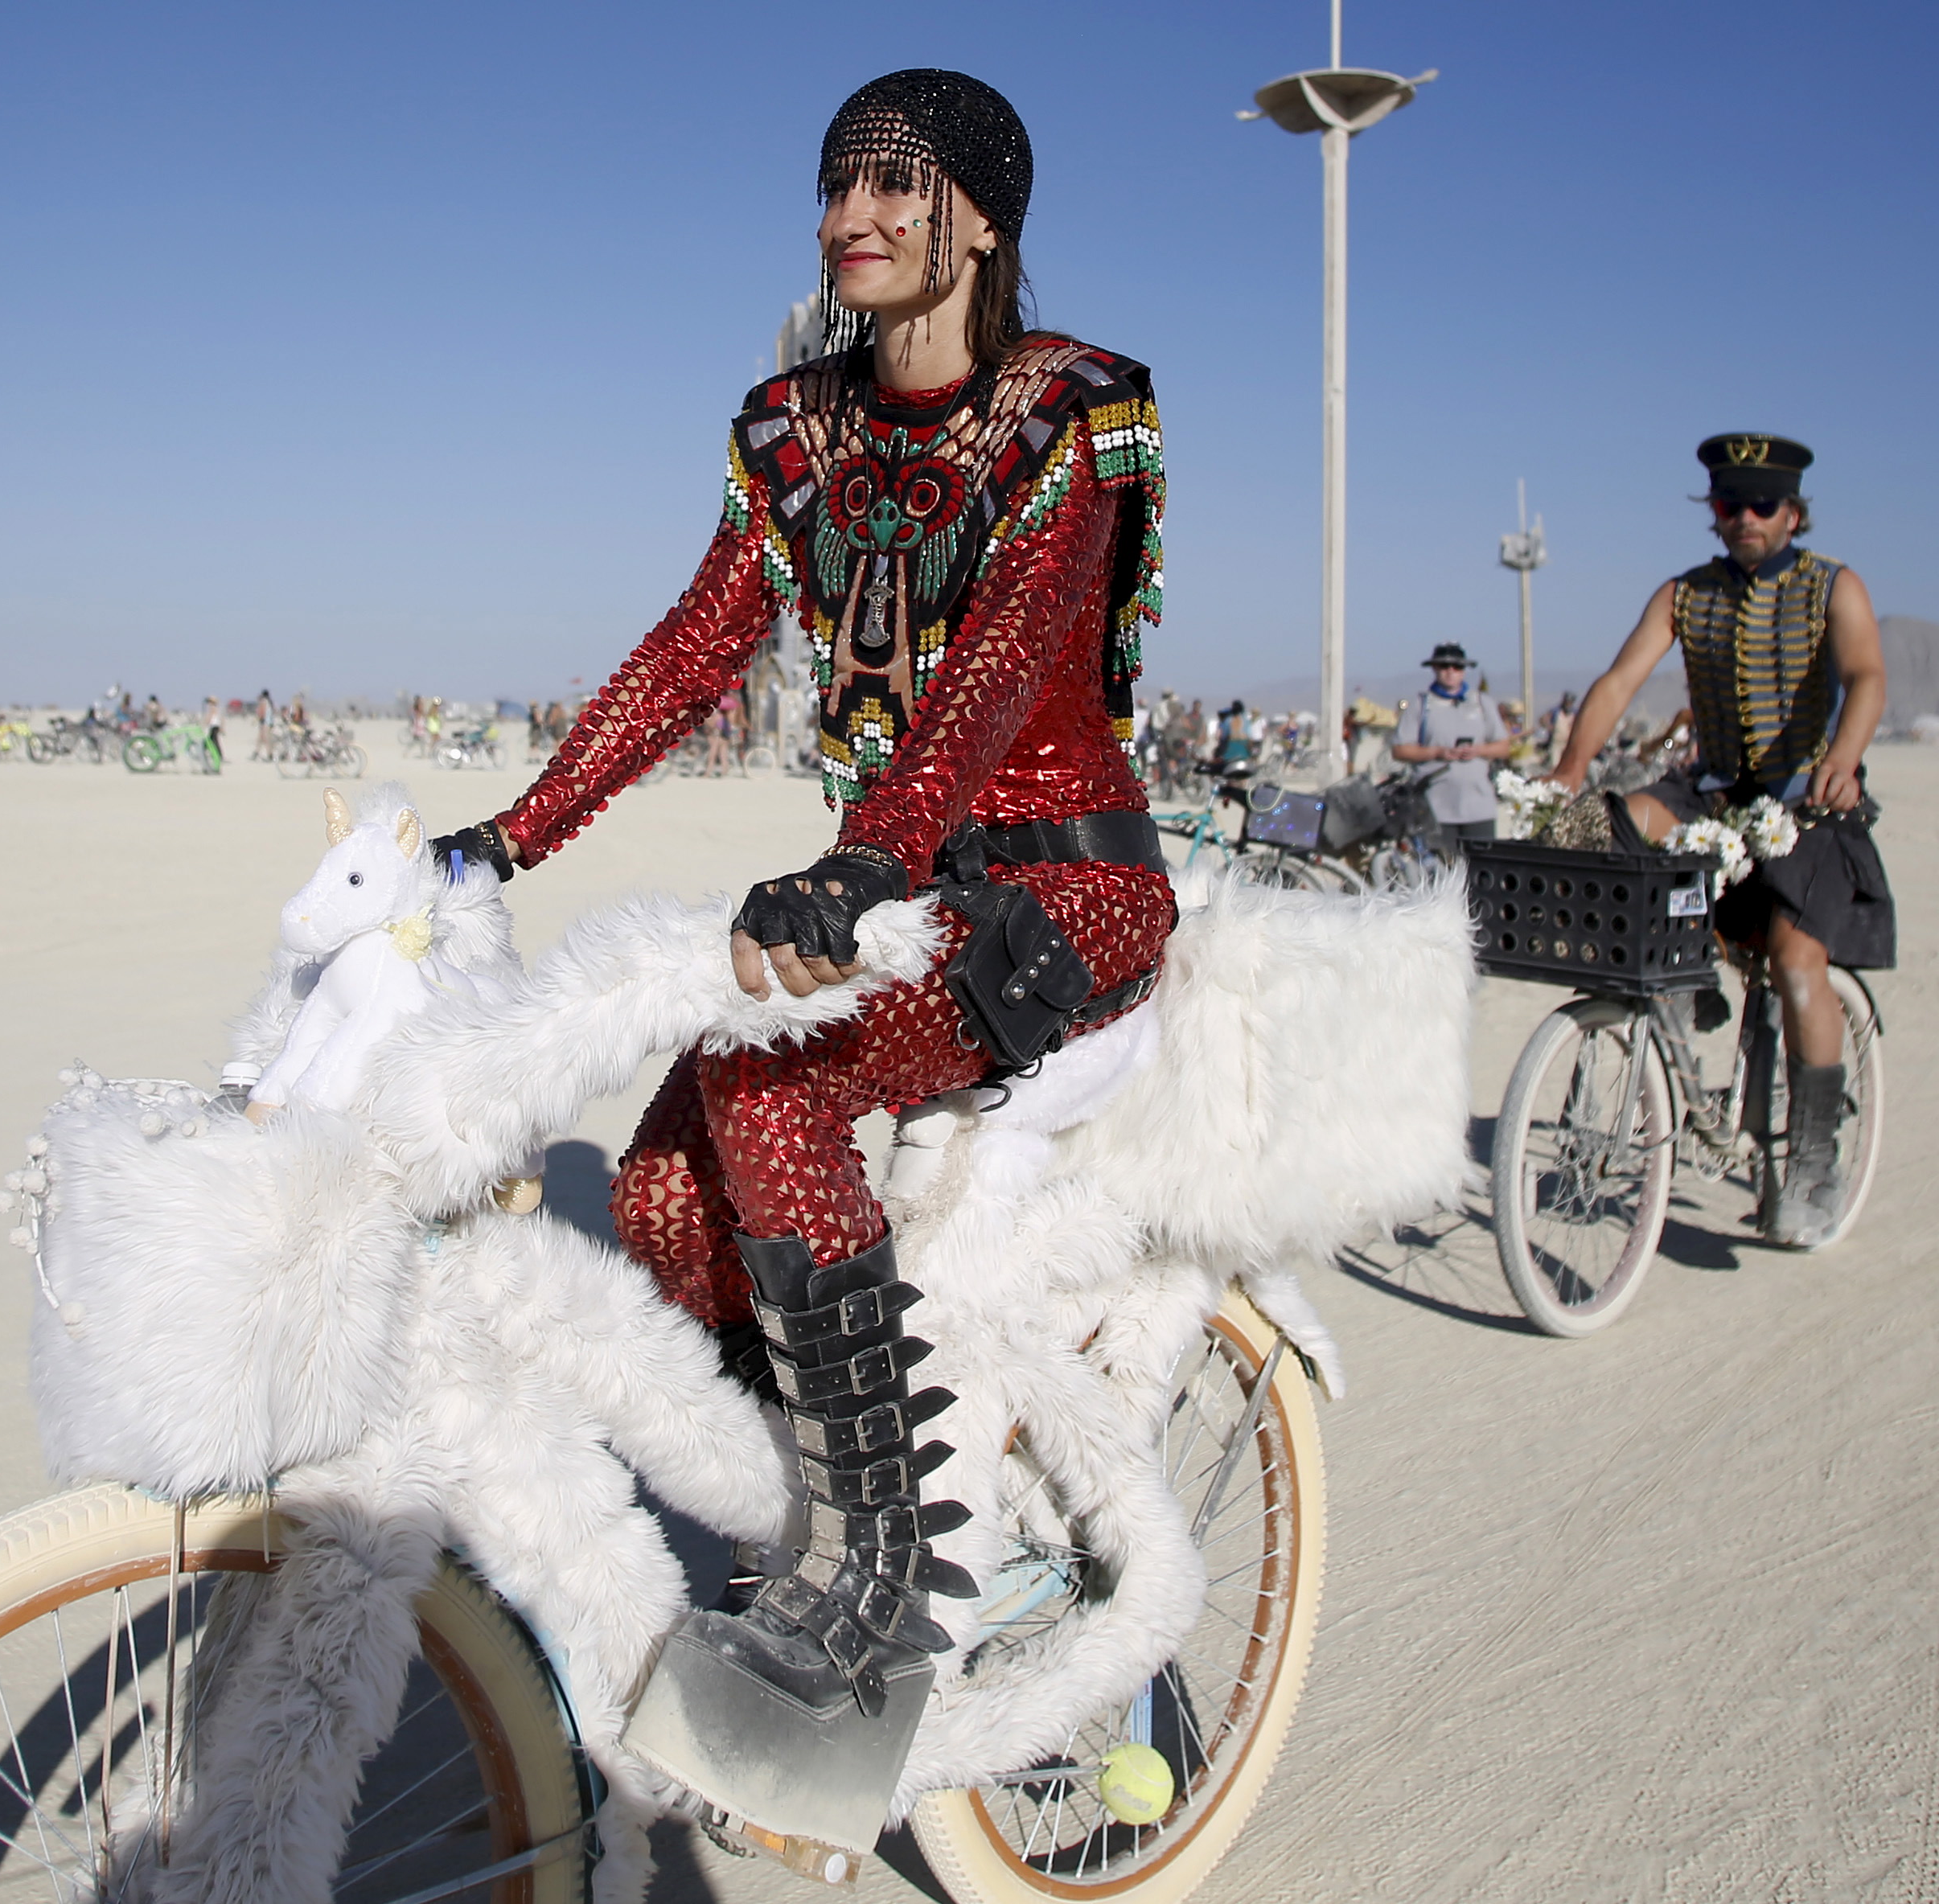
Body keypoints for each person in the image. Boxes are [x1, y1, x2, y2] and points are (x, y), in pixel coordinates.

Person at [426, 69, 1170, 1835]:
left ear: (980, 218)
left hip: (1054, 892)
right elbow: (695, 648)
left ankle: (881, 1566)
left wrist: (862, 855)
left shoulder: (1078, 411)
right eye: (836, 179)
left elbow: (999, 662)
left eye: (898, 182)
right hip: (889, 885)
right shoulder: (790, 427)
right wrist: (508, 833)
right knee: (672, 1198)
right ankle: (831, 1481)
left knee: (777, 1086)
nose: (851, 210)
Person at [1542, 433, 1896, 1248]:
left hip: (1806, 797)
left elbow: (1867, 675)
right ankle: (1677, 971)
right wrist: (1567, 770)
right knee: (1609, 822)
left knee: (1797, 966)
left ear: (1793, 512)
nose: (1742, 518)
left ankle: (1810, 1163)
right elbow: (1620, 679)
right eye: (1728, 504)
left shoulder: (1833, 586)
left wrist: (1841, 760)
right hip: (1714, 788)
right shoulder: (1682, 593)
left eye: (1759, 505)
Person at [1389, 641, 1512, 848]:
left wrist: (1478, 750)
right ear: (1434, 669)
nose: (1450, 672)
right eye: (1444, 666)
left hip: (1478, 807)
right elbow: (1400, 749)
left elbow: (1504, 747)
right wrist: (1438, 752)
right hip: (1436, 808)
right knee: (1441, 872)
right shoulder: (1421, 705)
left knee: (1480, 871)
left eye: (1457, 667)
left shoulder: (1482, 703)